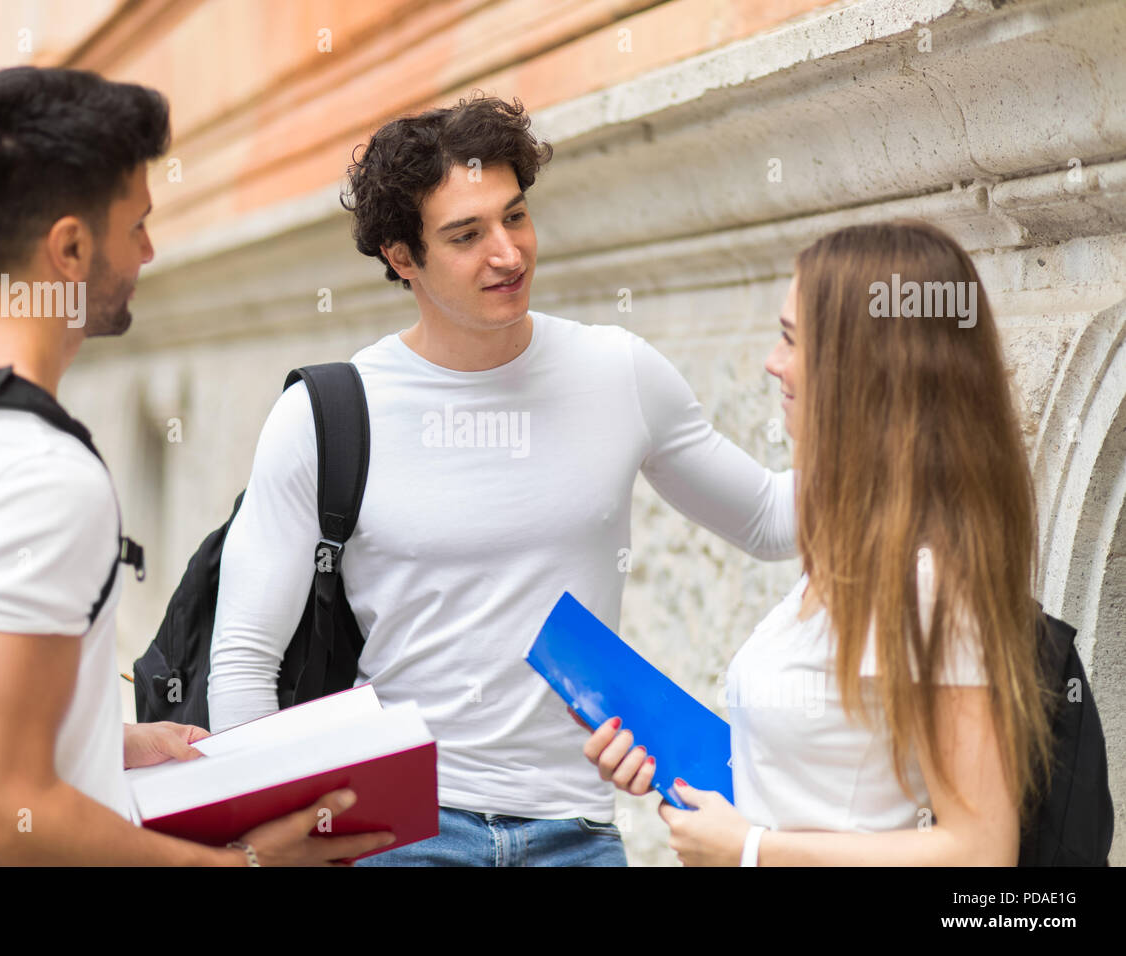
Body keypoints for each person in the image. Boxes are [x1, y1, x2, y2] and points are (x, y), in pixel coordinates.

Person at [208, 94, 797, 866]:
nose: (508, 253)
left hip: (577, 835)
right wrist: (270, 844)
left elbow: (768, 520)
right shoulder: (325, 413)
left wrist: (908, 407)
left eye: (514, 217)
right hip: (402, 834)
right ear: (401, 256)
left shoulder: (615, 371)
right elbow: (245, 657)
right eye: (466, 234)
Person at [0, 66, 393, 865]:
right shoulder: (38, 473)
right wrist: (245, 866)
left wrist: (103, 738)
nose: (150, 250)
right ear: (69, 247)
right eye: (137, 226)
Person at [585, 220, 1056, 865]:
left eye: (790, 339)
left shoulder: (924, 579)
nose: (773, 363)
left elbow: (978, 852)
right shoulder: (854, 550)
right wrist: (670, 766)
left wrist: (749, 851)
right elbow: (819, 783)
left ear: (862, 368)